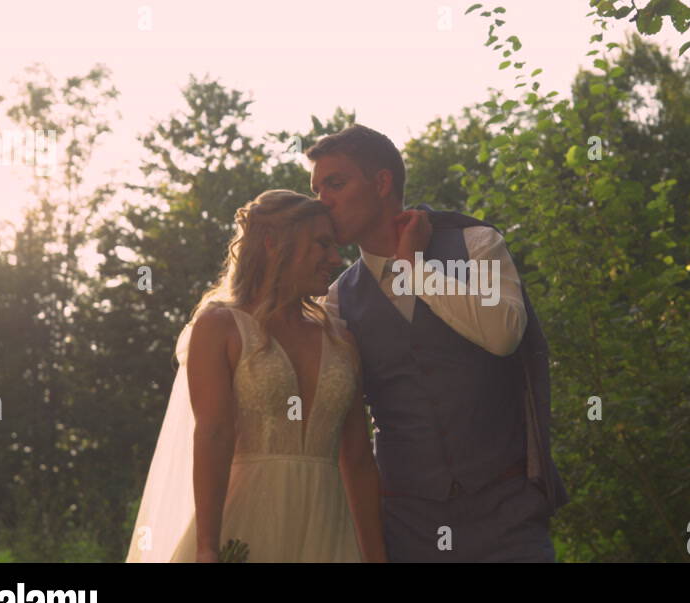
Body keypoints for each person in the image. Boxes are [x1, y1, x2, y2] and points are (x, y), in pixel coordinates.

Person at [309, 124, 569, 562]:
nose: (323, 201)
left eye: (335, 183)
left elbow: (504, 334)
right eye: (316, 190)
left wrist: (414, 268)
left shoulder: (477, 244)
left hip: (507, 514)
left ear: (382, 183)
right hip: (408, 525)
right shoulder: (336, 299)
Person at [126, 190, 387, 562]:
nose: (335, 258)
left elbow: (359, 458)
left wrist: (377, 557)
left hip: (330, 532)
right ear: (273, 244)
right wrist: (207, 548)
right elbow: (213, 436)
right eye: (322, 244)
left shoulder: (341, 339)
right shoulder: (220, 327)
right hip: (245, 526)